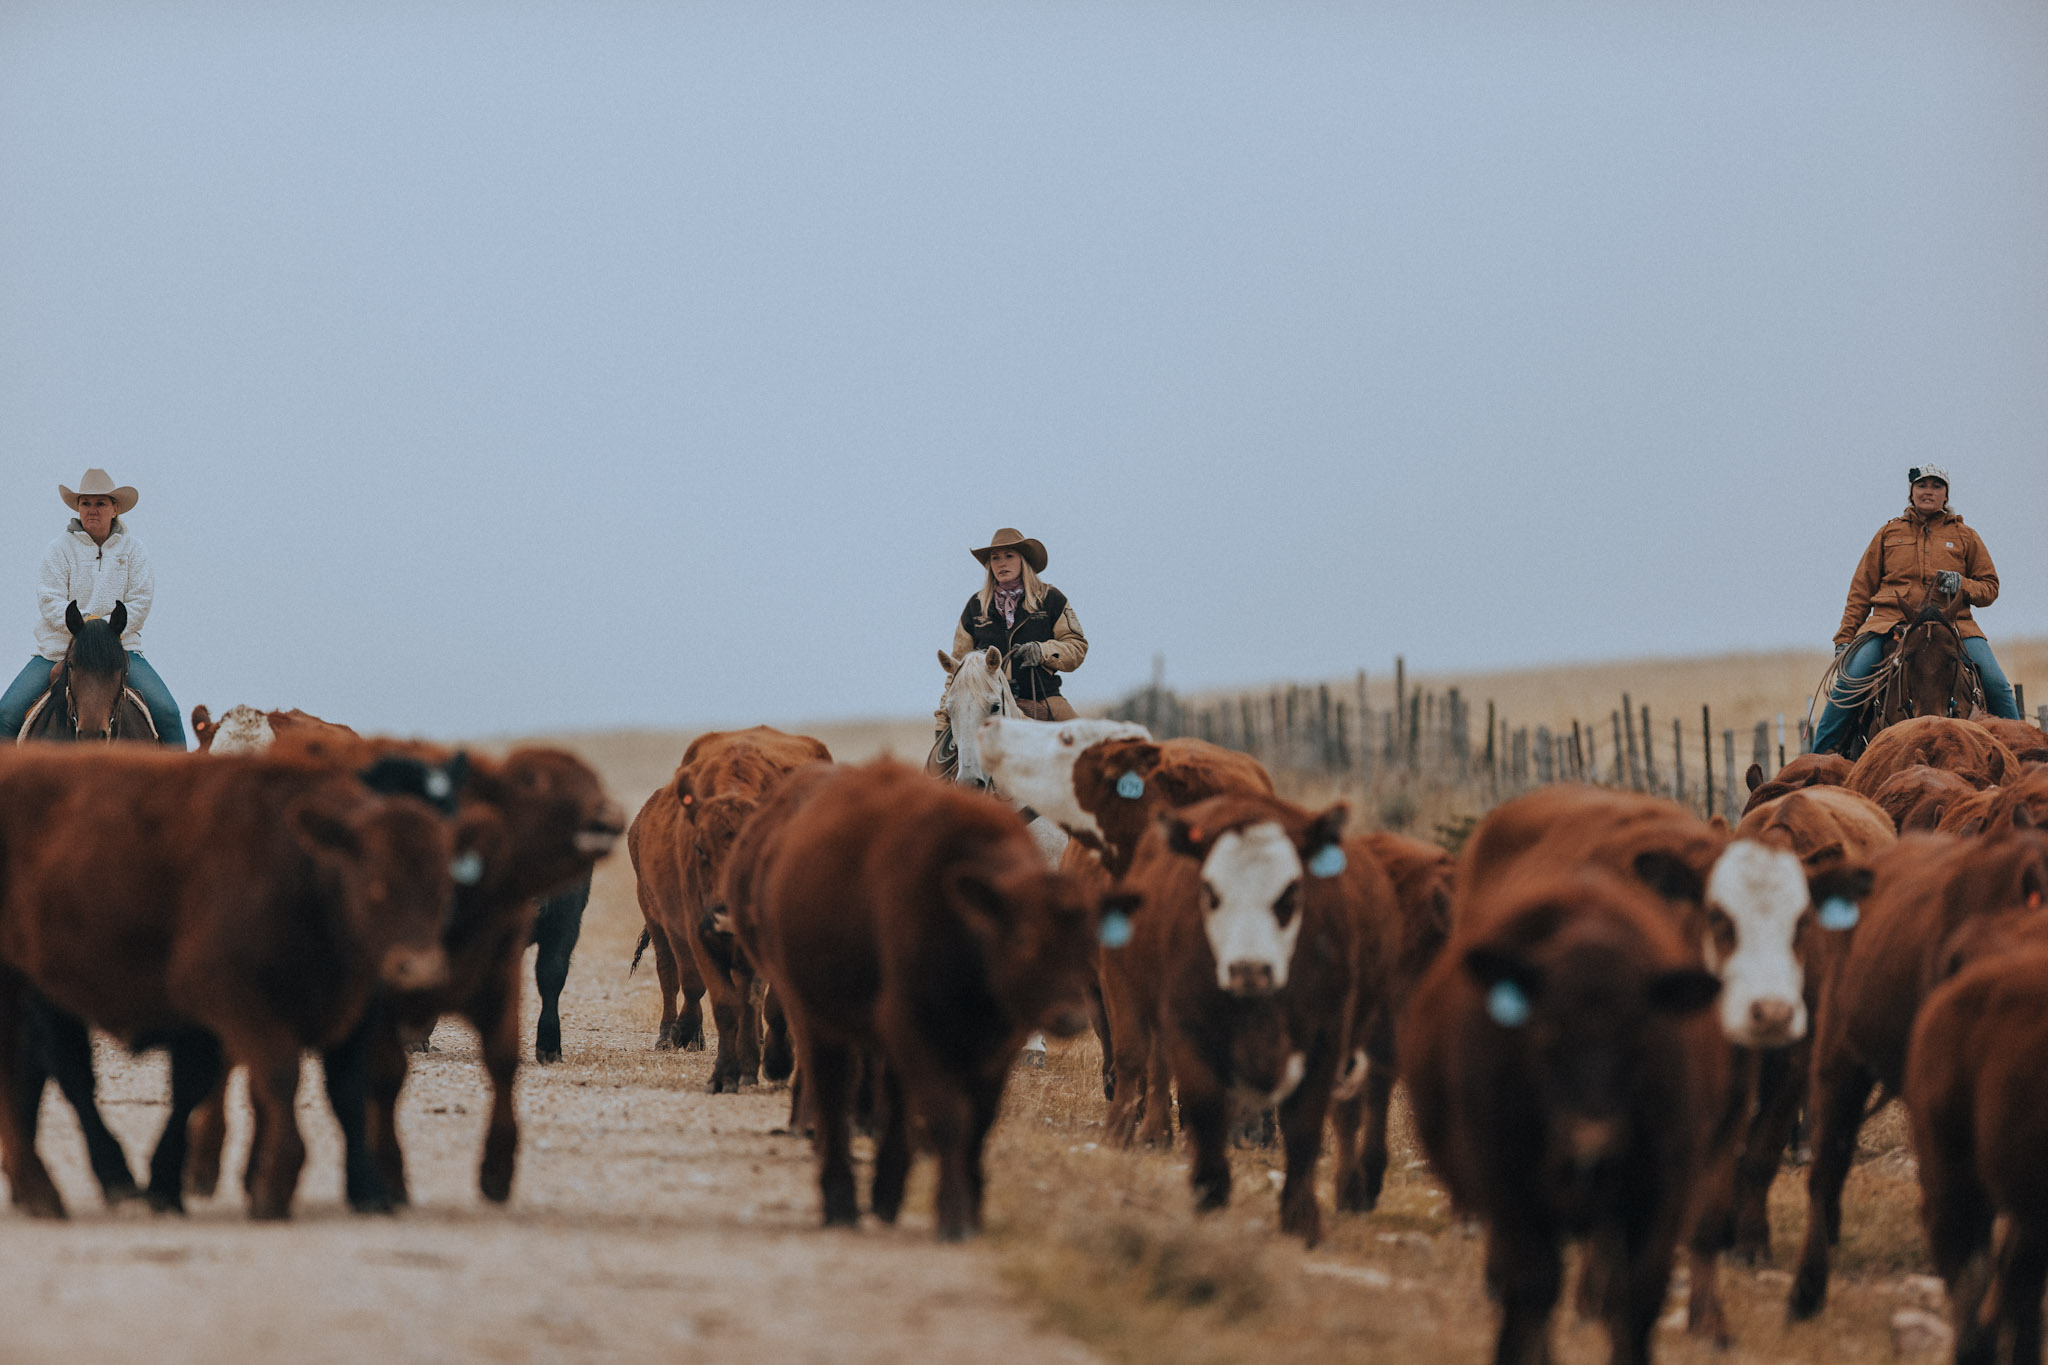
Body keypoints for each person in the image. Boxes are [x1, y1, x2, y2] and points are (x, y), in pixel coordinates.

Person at [1811, 464, 2018, 755]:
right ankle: (1817, 764)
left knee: (1997, 685)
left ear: (1946, 495)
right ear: (1911, 492)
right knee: (1850, 682)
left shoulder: (1966, 536)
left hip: (1953, 626)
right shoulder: (1887, 534)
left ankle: (2020, 760)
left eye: (1936, 486)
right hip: (1888, 625)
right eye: (1922, 486)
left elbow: (1990, 588)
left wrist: (1962, 584)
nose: (1928, 492)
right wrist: (1844, 639)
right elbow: (1861, 590)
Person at [0, 468, 186, 746]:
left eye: (100, 503)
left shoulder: (134, 551)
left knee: (169, 714)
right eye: (85, 503)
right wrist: (87, 626)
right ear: (78, 507)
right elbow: (49, 599)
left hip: (119, 649)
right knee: (6, 714)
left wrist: (104, 630)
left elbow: (140, 601)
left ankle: (182, 788)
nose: (92, 510)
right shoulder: (58, 549)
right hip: (57, 650)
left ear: (115, 508)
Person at [950, 527, 1089, 721]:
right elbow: (957, 669)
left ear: (1023, 560)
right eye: (995, 558)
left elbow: (1077, 647)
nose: (1002, 563)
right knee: (947, 749)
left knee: (1084, 745)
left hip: (1044, 697)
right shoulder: (976, 606)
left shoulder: (1051, 599)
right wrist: (943, 717)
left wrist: (1042, 652)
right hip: (986, 705)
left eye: (1009, 556)